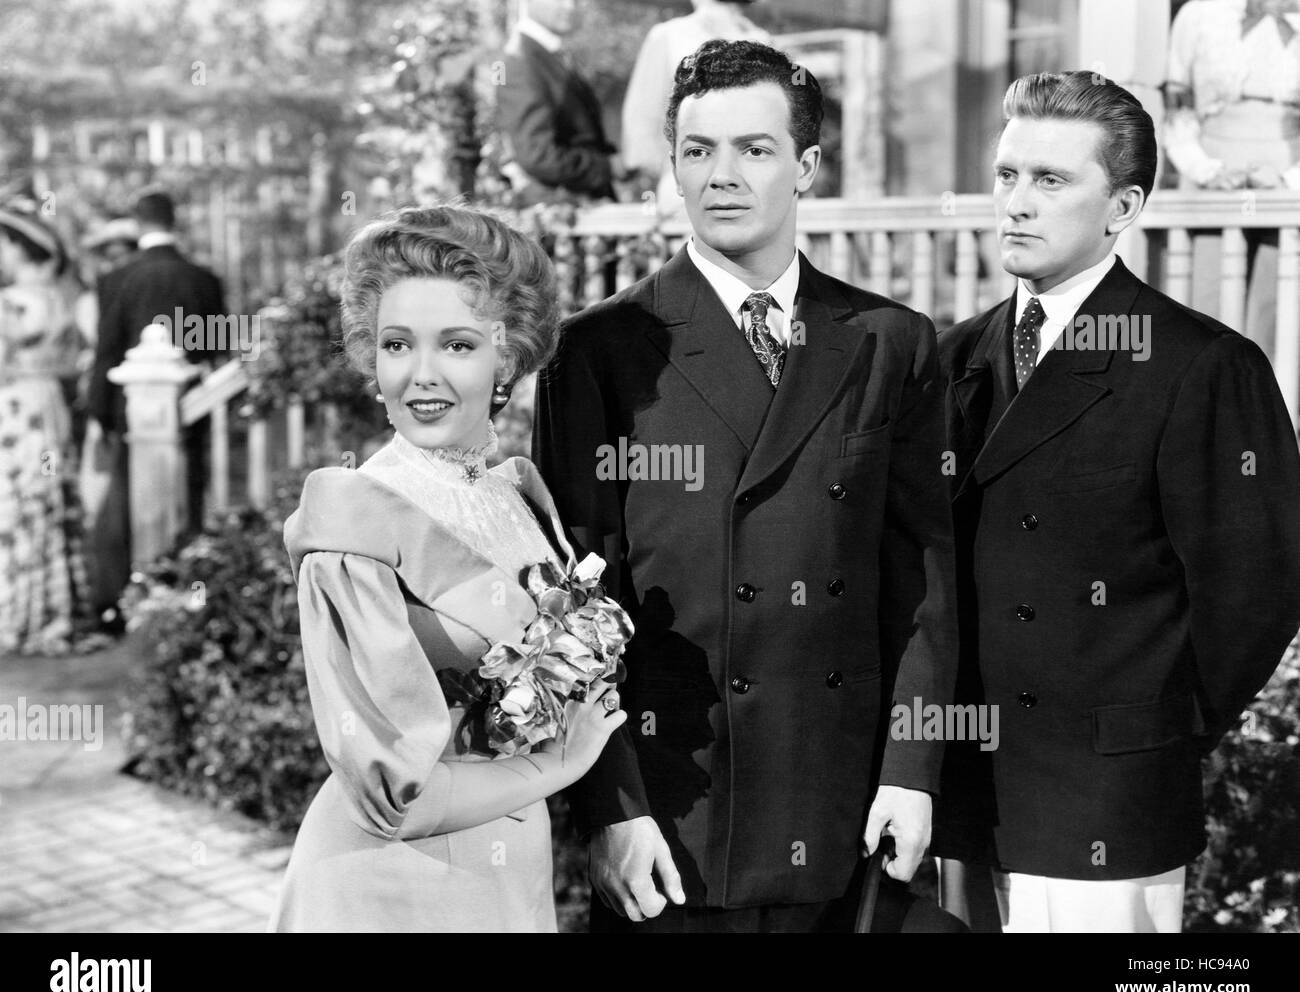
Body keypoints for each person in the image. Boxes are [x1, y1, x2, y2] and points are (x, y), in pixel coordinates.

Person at [534, 40, 958, 932]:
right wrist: (610, 811)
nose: (721, 176)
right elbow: (574, 608)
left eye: (754, 150)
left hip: (841, 808)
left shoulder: (890, 342)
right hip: (677, 814)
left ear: (805, 167)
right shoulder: (604, 349)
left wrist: (912, 772)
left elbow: (923, 586)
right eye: (698, 152)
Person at [933, 71, 1300, 933]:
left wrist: (1154, 731)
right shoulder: (949, 360)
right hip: (965, 793)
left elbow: (1259, 589)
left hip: (1106, 799)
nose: (1016, 203)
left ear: (1123, 207)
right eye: (1008, 175)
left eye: (1052, 180)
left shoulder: (1203, 365)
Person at [270, 205, 628, 932]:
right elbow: (395, 797)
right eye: (398, 344)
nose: (422, 375)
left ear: (509, 357)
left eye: (458, 345)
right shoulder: (352, 520)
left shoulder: (513, 493)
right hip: (388, 886)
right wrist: (562, 764)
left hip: (505, 870)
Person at [87, 187, 225, 555]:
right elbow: (220, 345)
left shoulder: (116, 279)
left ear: (138, 223)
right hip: (194, 402)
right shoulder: (204, 279)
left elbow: (107, 350)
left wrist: (99, 413)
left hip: (130, 409)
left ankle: (136, 584)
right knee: (191, 487)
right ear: (173, 221)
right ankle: (188, 567)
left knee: (131, 496)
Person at [1163, 0, 1300, 364]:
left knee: (1275, 309)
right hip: (1213, 168)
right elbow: (1177, 106)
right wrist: (1205, 170)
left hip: (1287, 175)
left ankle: (1263, 411)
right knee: (1207, 305)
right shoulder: (1199, 14)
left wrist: (1289, 178)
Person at [0, 202, 100, 655]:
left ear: (21, 249)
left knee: (19, 500)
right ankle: (54, 608)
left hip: (20, 405)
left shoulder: (12, 302)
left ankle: (23, 610)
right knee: (48, 497)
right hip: (51, 404)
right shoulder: (66, 299)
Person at [622, 0, 770, 215]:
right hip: (687, 189)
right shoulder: (670, 35)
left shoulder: (763, 40)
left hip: (754, 187)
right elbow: (642, 119)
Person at [497, 0, 632, 203]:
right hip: (558, 211)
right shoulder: (520, 60)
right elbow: (537, 155)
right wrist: (607, 167)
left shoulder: (550, 53)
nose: (569, 6)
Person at [74, 216, 138, 626]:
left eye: (120, 253)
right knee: (100, 501)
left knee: (118, 504)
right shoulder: (92, 297)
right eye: (107, 255)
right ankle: (107, 595)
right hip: (104, 409)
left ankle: (120, 596)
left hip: (123, 406)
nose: (113, 263)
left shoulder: (122, 287)